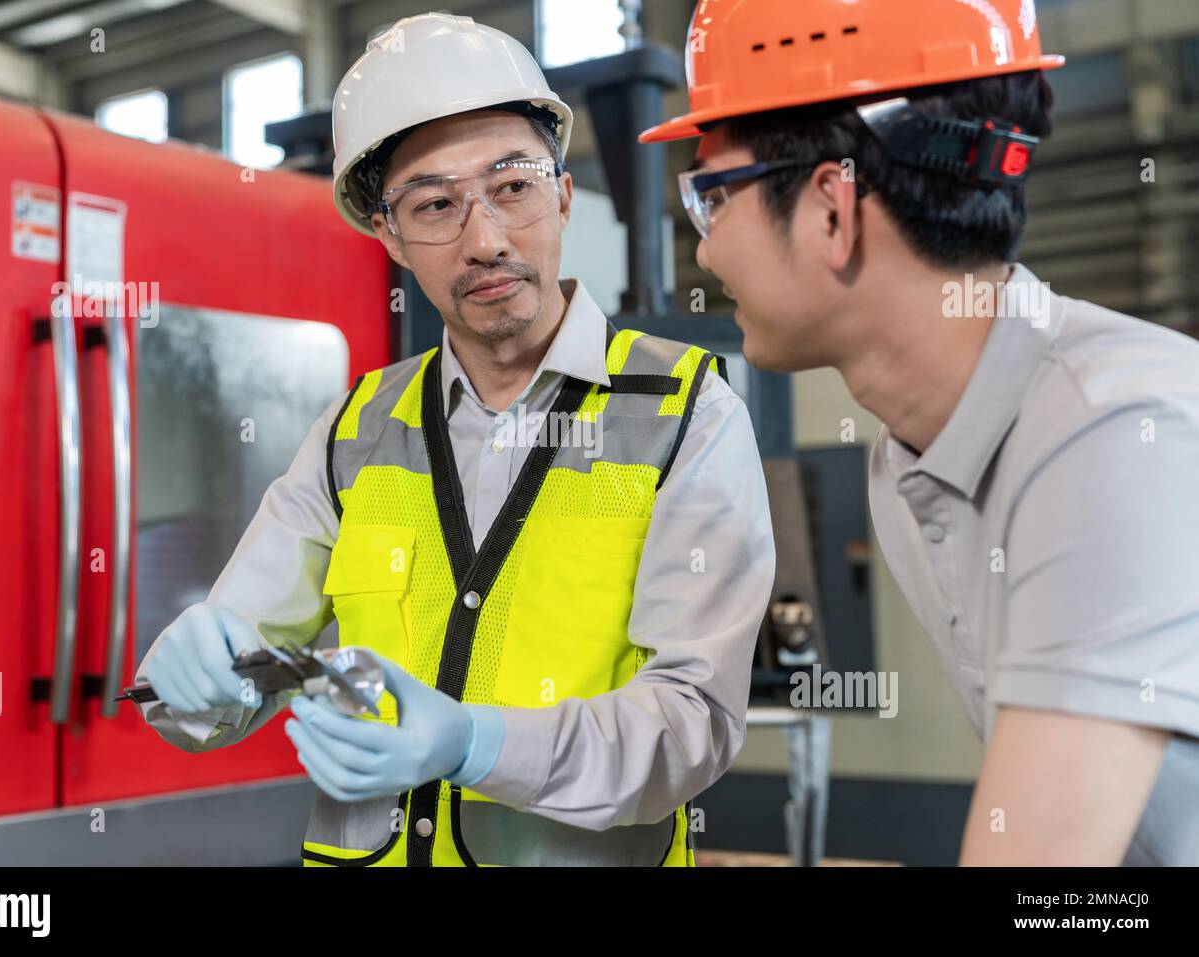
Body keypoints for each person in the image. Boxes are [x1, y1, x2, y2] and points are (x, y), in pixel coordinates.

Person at [135, 12, 774, 867]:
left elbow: (690, 725)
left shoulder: (685, 414)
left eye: (513, 186)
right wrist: (190, 672)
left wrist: (477, 743)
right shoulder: (355, 430)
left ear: (563, 195)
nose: (485, 240)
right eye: (435, 205)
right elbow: (227, 677)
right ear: (390, 237)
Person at [643, 0, 1199, 865]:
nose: (705, 253)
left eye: (711, 196)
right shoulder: (906, 464)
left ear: (832, 207)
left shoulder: (1117, 438)